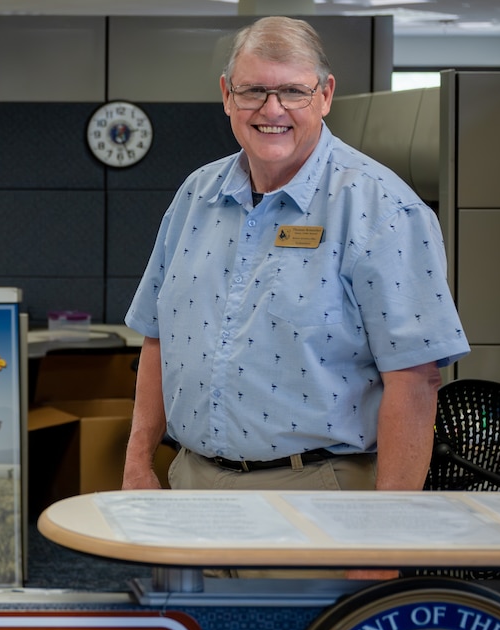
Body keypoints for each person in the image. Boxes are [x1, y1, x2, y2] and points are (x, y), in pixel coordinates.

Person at [121, 18, 468, 519]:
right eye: (253, 91)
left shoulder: (383, 210)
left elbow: (414, 381)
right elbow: (158, 337)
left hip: (318, 491)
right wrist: (137, 465)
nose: (272, 109)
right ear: (227, 95)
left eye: (292, 91)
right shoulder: (196, 196)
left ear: (325, 95)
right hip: (190, 482)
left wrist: (388, 528)